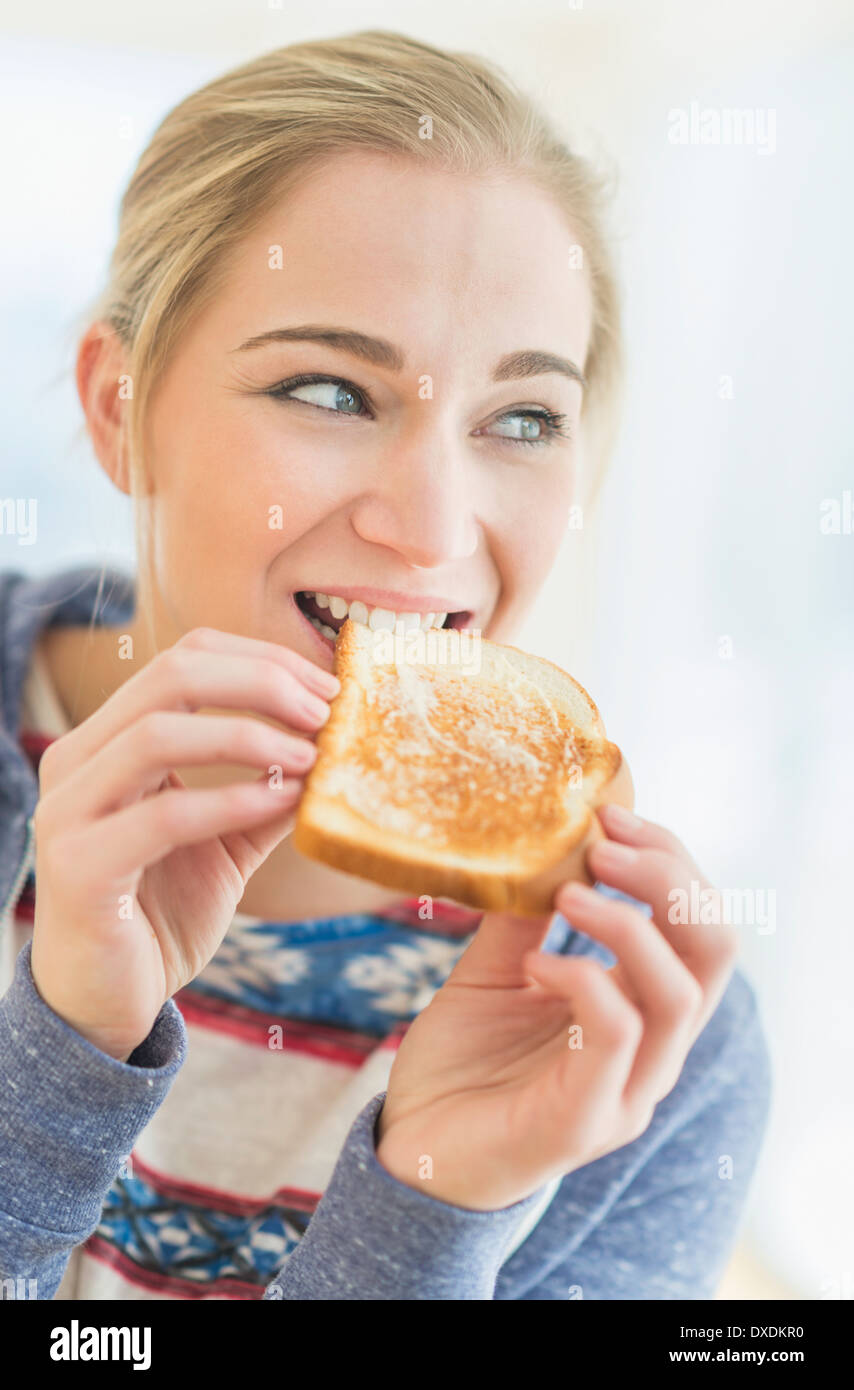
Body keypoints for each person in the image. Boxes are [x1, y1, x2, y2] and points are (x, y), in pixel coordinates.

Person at [0, 28, 770, 1301]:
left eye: (520, 419)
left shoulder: (637, 1041)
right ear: (118, 411)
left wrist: (430, 1209)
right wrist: (62, 1055)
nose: (429, 527)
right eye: (329, 391)